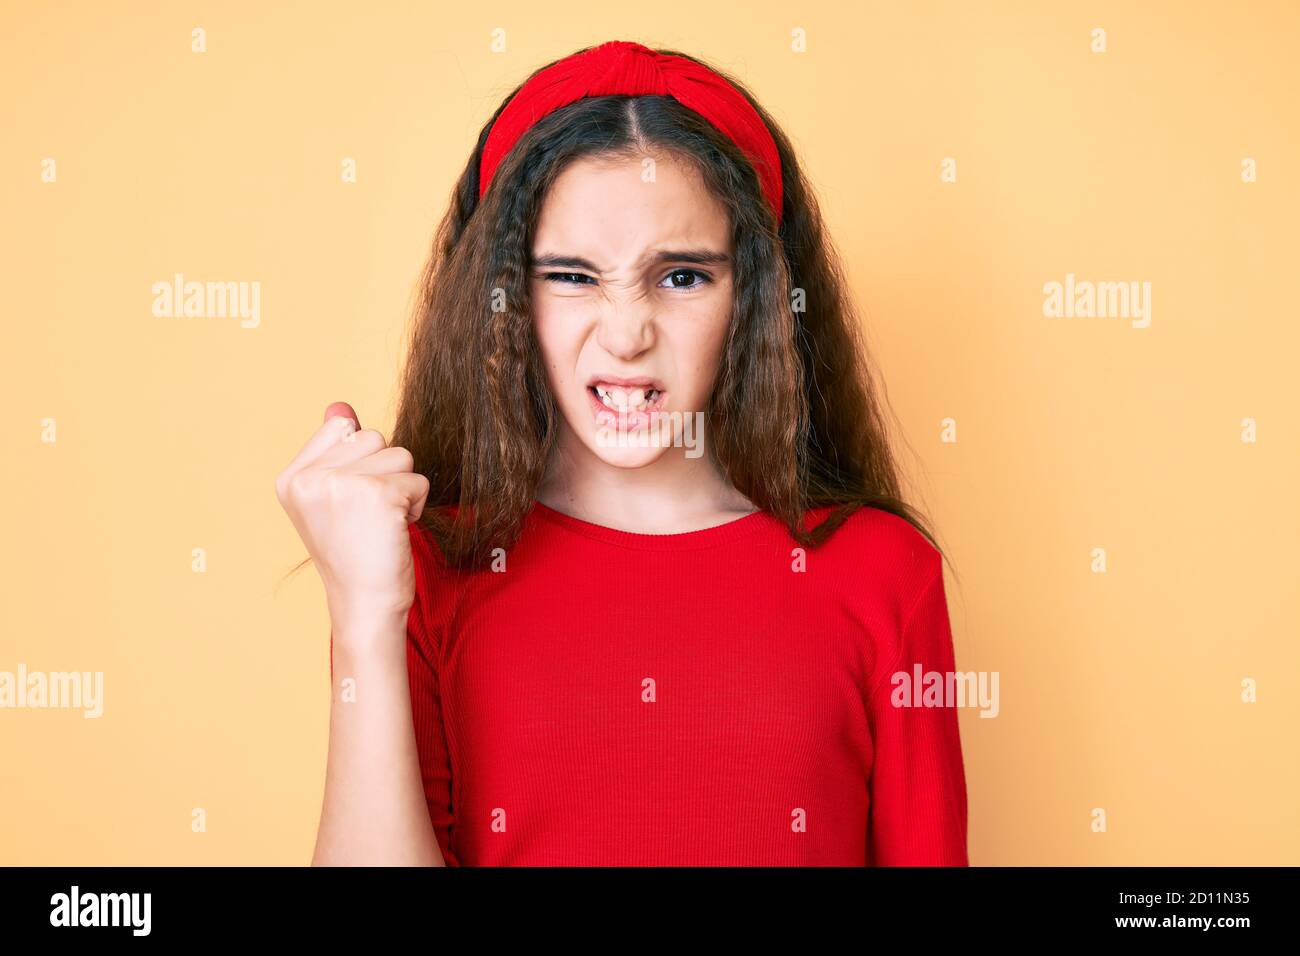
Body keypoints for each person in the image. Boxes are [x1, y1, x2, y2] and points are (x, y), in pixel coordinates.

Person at [276, 40, 968, 866]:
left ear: (753, 295)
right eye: (571, 276)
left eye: (680, 277)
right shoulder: (420, 575)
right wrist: (360, 614)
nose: (628, 333)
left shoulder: (883, 573)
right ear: (504, 301)